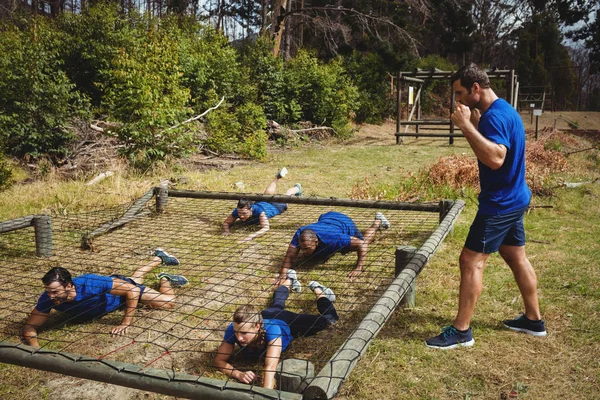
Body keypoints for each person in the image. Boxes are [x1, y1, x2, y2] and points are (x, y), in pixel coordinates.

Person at [425, 63, 546, 350]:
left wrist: (466, 126)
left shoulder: (494, 118)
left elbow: (495, 158)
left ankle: (461, 331)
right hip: (516, 197)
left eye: (460, 93)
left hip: (500, 204)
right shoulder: (504, 110)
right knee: (516, 256)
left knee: (470, 260)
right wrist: (476, 124)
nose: (459, 100)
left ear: (476, 88)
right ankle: (533, 321)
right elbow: (495, 144)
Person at [22, 249, 188, 347]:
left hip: (124, 294)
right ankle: (159, 257)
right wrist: (36, 349)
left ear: (69, 285)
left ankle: (165, 278)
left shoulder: (91, 283)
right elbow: (30, 326)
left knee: (168, 303)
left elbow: (132, 291)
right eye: (48, 291)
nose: (51, 296)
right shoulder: (48, 298)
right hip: (116, 290)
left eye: (55, 292)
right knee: (135, 278)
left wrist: (125, 323)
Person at [213, 270, 338, 389]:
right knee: (277, 304)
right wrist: (238, 374)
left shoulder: (273, 331)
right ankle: (290, 280)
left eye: (244, 333)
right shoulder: (234, 328)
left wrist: (265, 394)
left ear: (257, 327)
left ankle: (319, 291)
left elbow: (270, 367)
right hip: (267, 315)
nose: (239, 337)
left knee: (329, 319)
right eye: (237, 332)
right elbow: (219, 361)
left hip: (286, 321)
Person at [276, 211, 390, 282]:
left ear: (316, 241)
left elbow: (362, 244)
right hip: (327, 217)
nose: (303, 251)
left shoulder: (334, 238)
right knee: (314, 257)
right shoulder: (300, 233)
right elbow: (290, 255)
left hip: (344, 222)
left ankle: (377, 221)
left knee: (364, 241)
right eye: (302, 248)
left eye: (306, 248)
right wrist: (283, 274)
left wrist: (358, 268)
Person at [222, 167, 302, 243]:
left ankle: (297, 188)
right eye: (240, 213)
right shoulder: (238, 210)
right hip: (262, 202)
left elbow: (266, 227)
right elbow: (226, 223)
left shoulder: (260, 212)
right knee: (267, 194)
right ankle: (277, 177)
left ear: (250, 209)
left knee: (286, 195)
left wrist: (251, 236)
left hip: (275, 206)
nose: (241, 216)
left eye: (244, 213)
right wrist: (227, 231)